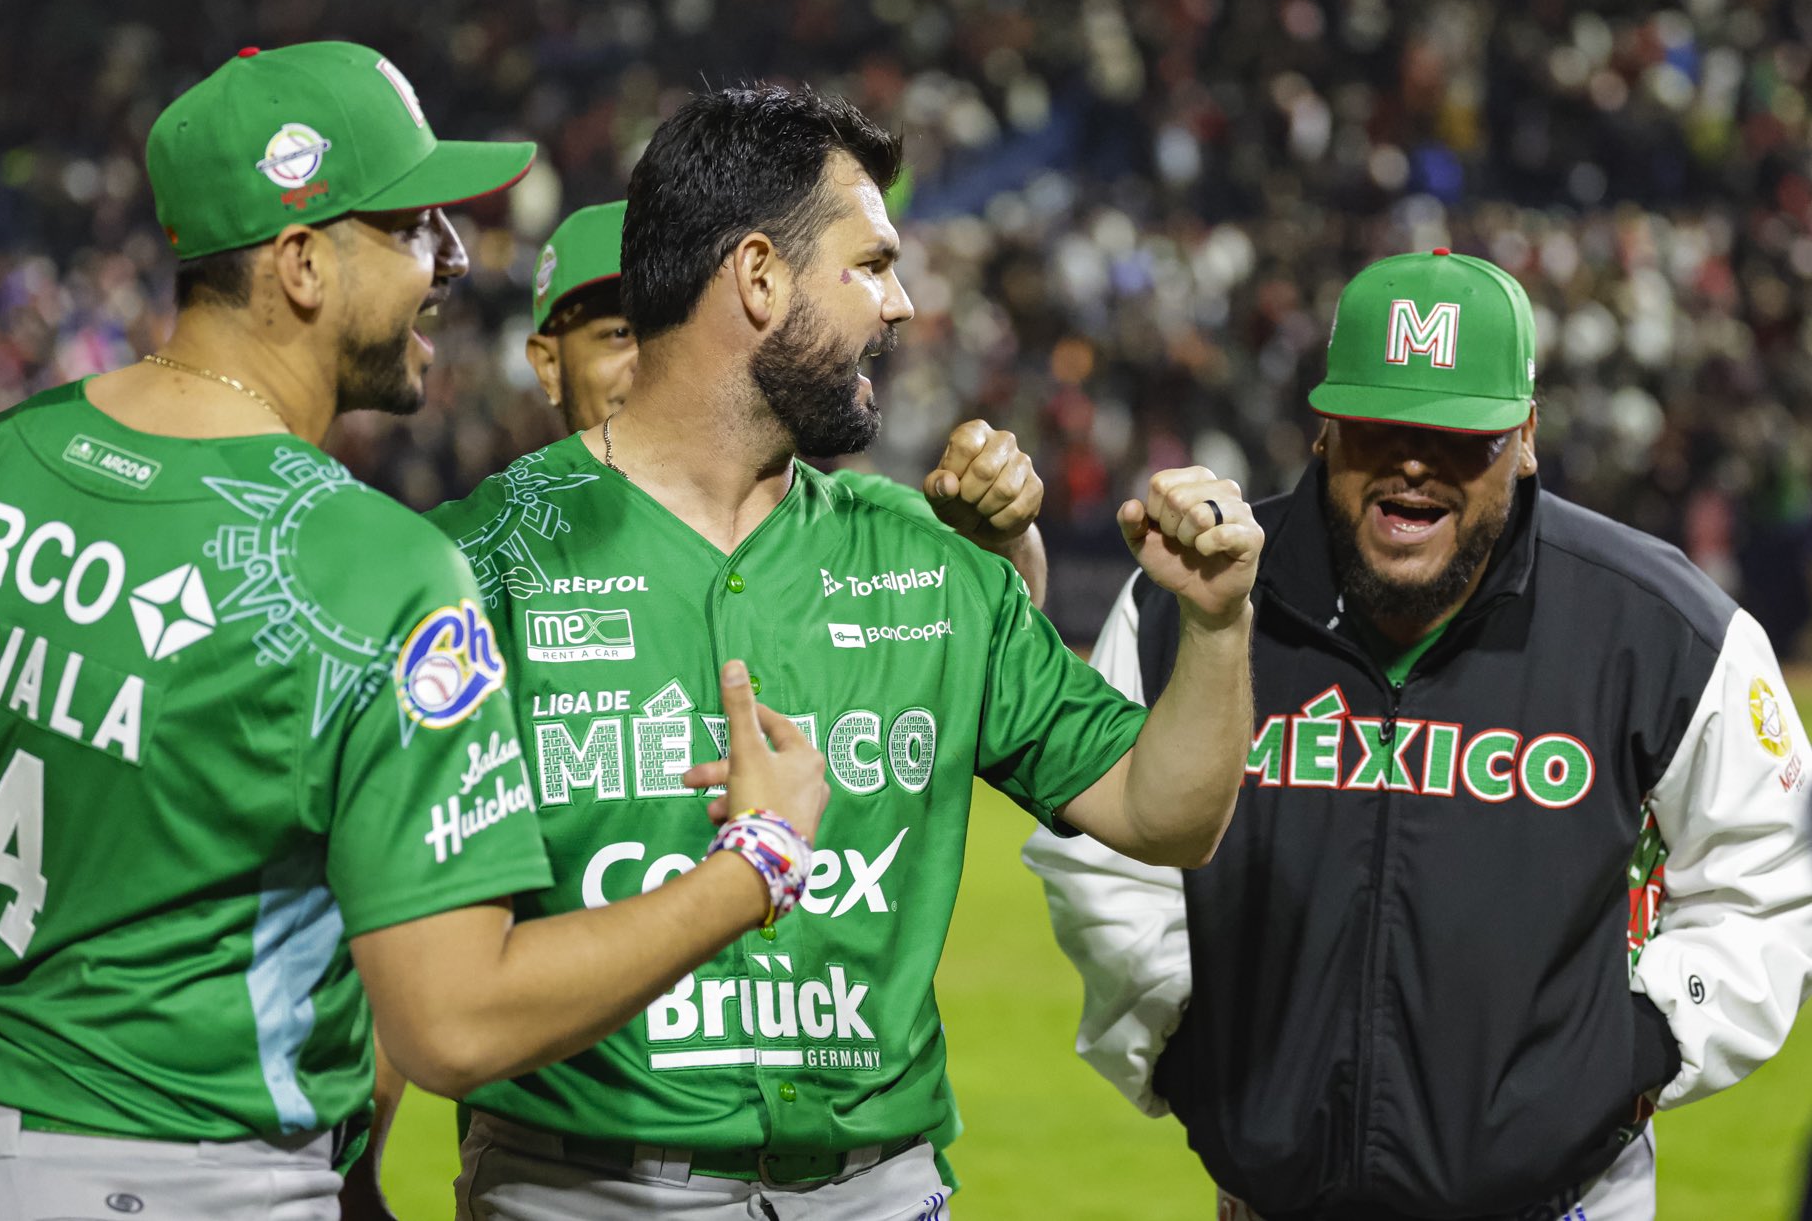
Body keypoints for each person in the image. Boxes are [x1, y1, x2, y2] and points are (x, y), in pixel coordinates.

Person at [0, 43, 829, 1221]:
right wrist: (753, 865)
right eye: (412, 225)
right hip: (195, 1185)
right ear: (298, 264)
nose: (451, 257)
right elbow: (454, 1021)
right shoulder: (368, 565)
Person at [418, 82, 1263, 1219]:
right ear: (759, 276)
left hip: (877, 1190)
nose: (901, 304)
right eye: (870, 265)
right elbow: (422, 989)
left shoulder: (930, 562)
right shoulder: (476, 568)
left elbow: (1165, 814)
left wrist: (1216, 623)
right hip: (584, 1189)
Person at [1024, 248, 1812, 1219]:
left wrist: (1639, 1044)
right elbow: (1099, 853)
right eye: (1379, 427)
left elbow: (1769, 874)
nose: (1411, 461)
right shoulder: (1190, 601)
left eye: (1458, 436)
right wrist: (1186, 1031)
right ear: (1325, 429)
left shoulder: (1656, 626)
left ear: (1525, 437)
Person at [522, 198, 1049, 604]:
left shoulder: (863, 519)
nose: (656, 360)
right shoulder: (502, 550)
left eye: (674, 327)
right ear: (549, 367)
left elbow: (1013, 615)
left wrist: (1003, 537)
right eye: (619, 334)